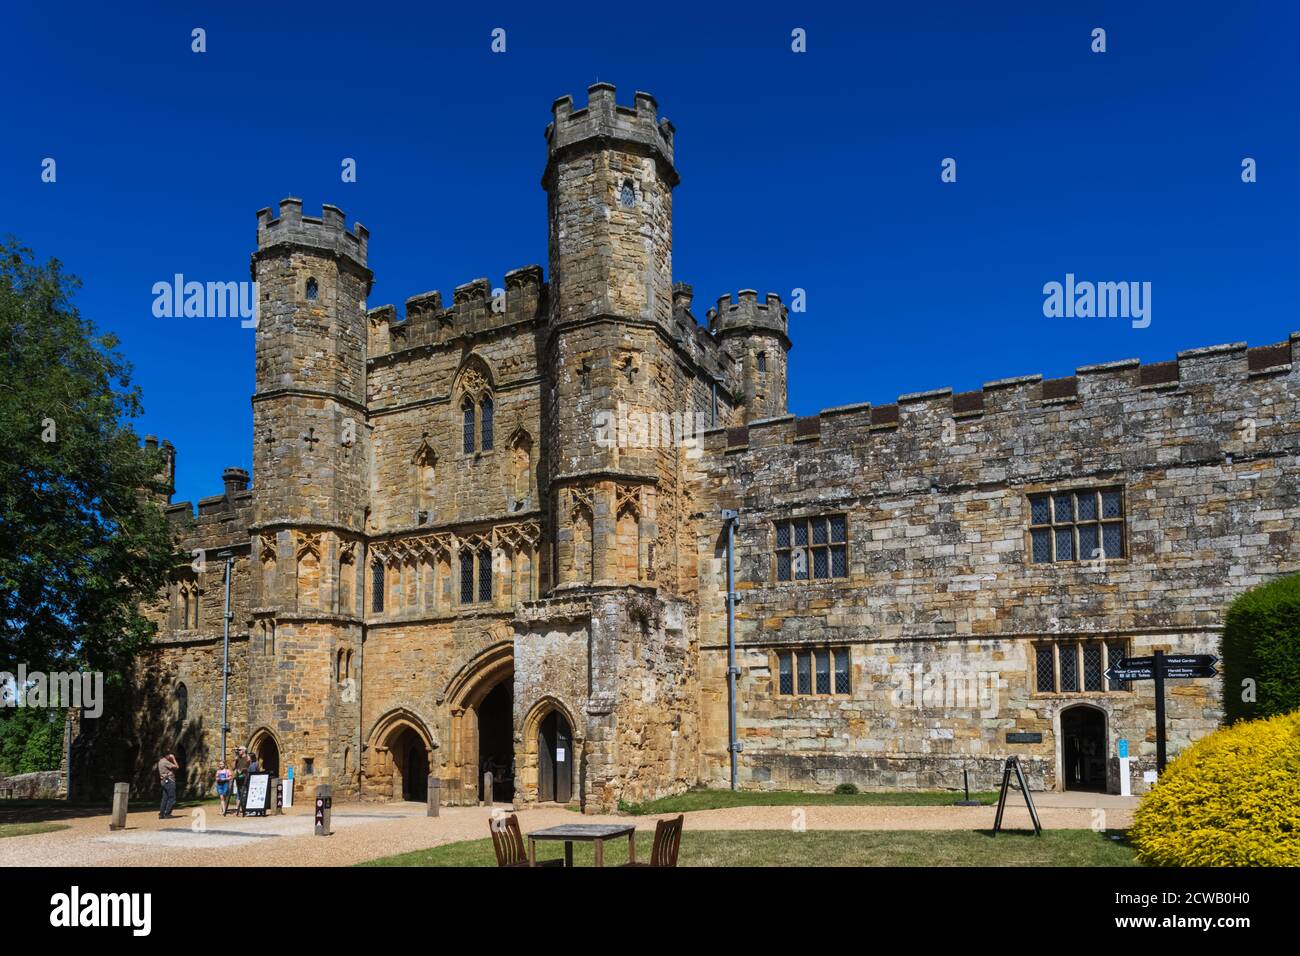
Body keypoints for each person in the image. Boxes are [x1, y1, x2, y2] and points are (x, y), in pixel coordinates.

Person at [158, 751, 180, 819]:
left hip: (164, 781)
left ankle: (162, 814)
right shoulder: (165, 762)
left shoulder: (160, 761)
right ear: (166, 755)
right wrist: (173, 758)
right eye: (169, 755)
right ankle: (167, 813)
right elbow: (177, 767)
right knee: (172, 798)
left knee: (165, 798)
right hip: (169, 781)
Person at [233, 746, 251, 816]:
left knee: (244, 793)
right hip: (238, 778)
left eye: (240, 750)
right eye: (238, 750)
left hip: (244, 778)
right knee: (238, 794)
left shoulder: (247, 758)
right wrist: (235, 760)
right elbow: (233, 767)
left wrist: (242, 770)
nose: (238, 751)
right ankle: (238, 810)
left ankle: (245, 810)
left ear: (244, 750)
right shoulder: (237, 758)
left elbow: (248, 767)